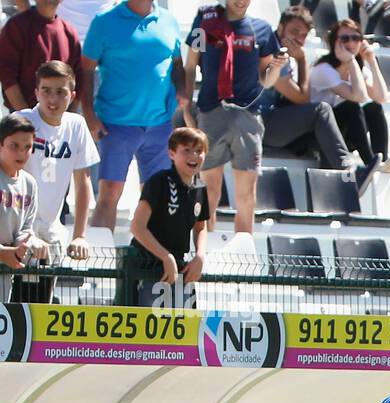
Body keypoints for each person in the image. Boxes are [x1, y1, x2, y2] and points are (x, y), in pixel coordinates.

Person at [81, 0, 186, 230]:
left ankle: (149, 260)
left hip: (159, 126)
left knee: (155, 197)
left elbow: (177, 63)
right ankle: (102, 259)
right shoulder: (104, 21)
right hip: (115, 124)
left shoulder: (169, 21)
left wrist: (181, 90)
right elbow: (86, 70)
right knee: (109, 192)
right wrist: (89, 114)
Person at [184, 0, 286, 236]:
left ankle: (244, 251)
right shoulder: (205, 21)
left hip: (247, 116)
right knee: (208, 190)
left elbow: (266, 80)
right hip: (211, 111)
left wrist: (277, 68)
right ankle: (204, 250)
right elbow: (191, 64)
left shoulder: (261, 30)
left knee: (247, 194)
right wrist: (187, 105)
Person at [11, 60, 98, 303]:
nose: (53, 99)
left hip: (51, 230)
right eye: (46, 90)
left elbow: (83, 183)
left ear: (72, 95)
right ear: (36, 92)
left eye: (60, 92)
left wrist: (79, 234)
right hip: (15, 230)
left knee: (40, 305)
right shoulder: (21, 121)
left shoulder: (76, 125)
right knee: (13, 305)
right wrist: (24, 234)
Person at [256, 6, 353, 172]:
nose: (299, 40)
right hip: (258, 123)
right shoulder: (273, 52)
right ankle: (346, 169)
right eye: (294, 32)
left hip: (267, 121)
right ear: (280, 28)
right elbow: (302, 98)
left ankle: (332, 187)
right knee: (320, 111)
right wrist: (301, 60)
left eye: (304, 35)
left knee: (322, 138)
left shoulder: (277, 47)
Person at [127, 127, 209, 309]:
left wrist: (200, 256)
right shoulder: (159, 181)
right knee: (147, 331)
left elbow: (200, 227)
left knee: (185, 330)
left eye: (199, 151)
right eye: (186, 150)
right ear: (171, 154)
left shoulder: (200, 188)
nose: (193, 156)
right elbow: (137, 226)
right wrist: (165, 257)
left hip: (180, 268)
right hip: (147, 265)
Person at [309, 19, 390, 174]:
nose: (351, 43)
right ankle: (370, 163)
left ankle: (382, 161)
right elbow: (358, 97)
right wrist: (352, 60)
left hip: (342, 135)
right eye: (345, 39)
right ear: (334, 43)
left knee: (374, 107)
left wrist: (371, 61)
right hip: (321, 136)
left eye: (356, 38)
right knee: (350, 106)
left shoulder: (357, 70)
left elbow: (381, 97)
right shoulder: (324, 69)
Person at [0, 0, 82, 112]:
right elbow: (7, 76)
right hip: (23, 121)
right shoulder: (16, 26)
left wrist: (68, 117)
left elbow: (79, 78)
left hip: (59, 121)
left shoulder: (69, 32)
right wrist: (27, 117)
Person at [0, 115, 40, 303]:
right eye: (14, 146)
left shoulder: (29, 184)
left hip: (5, 273)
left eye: (27, 147)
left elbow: (26, 227)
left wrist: (23, 245)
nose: (21, 153)